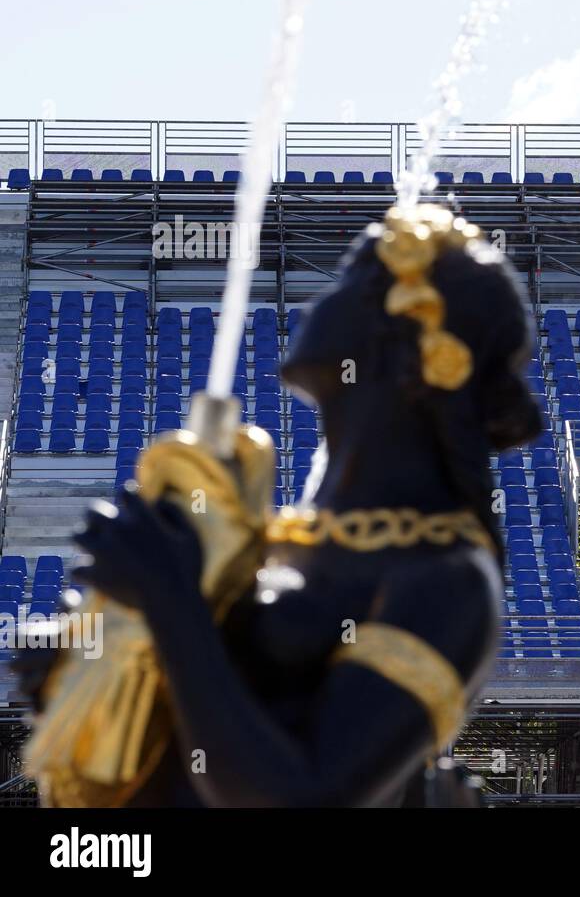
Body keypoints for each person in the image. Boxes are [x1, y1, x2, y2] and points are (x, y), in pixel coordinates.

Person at [21, 205, 542, 806]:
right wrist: (86, 663)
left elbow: (304, 797)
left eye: (351, 277)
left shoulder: (445, 577)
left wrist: (171, 605)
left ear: (408, 334)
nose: (322, 300)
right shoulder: (294, 538)